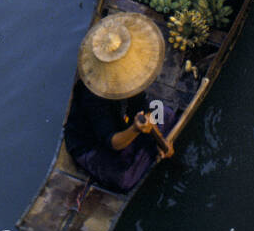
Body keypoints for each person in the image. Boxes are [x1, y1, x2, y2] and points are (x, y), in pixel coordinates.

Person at [63, 14, 173, 193]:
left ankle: (143, 152)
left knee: (166, 114)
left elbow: (141, 108)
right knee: (125, 180)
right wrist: (136, 129)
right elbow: (112, 142)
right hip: (93, 144)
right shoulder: (93, 94)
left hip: (124, 122)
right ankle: (142, 154)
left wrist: (161, 139)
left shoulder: (132, 73)